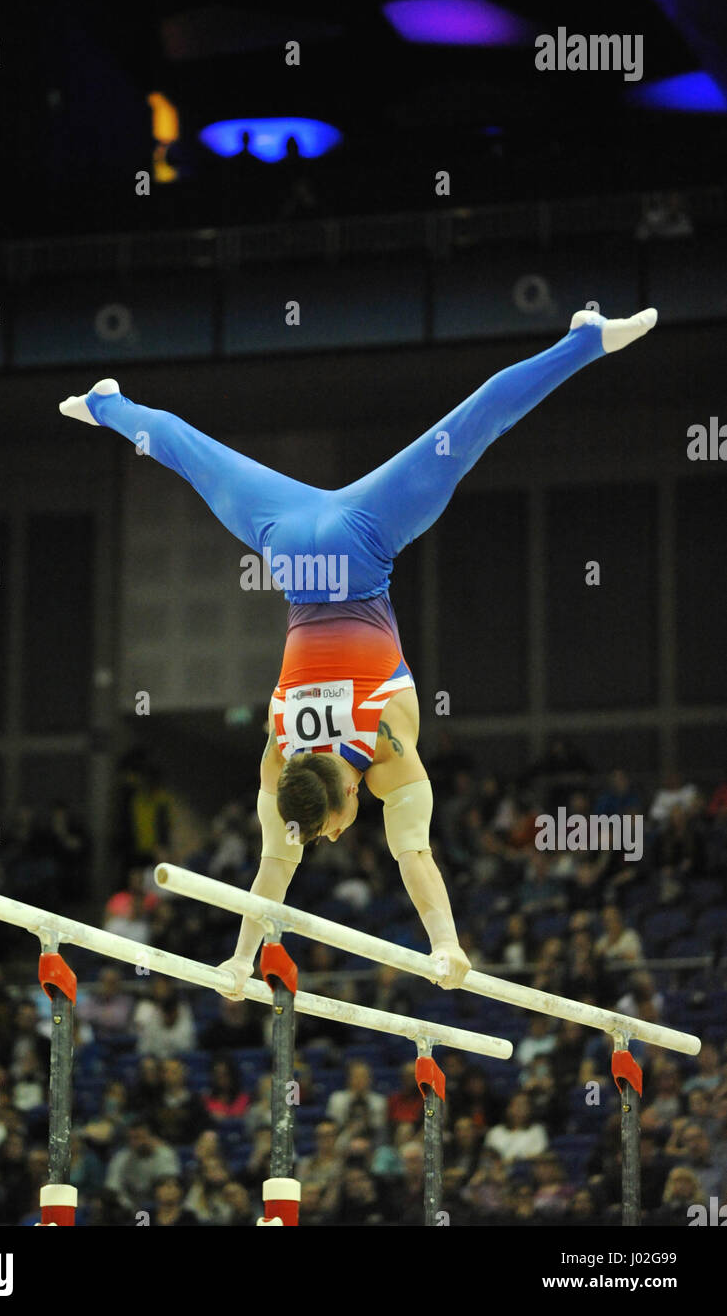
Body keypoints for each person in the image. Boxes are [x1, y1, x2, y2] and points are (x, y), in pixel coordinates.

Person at [61, 307, 658, 995]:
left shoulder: (383, 752)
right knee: (202, 459)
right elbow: (274, 868)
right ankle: (107, 404)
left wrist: (447, 945)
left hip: (362, 541)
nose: (337, 839)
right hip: (289, 546)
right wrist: (237, 961)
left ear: (345, 792)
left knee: (469, 430)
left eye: (328, 832)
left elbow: (411, 855)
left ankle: (583, 340)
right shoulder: (279, 755)